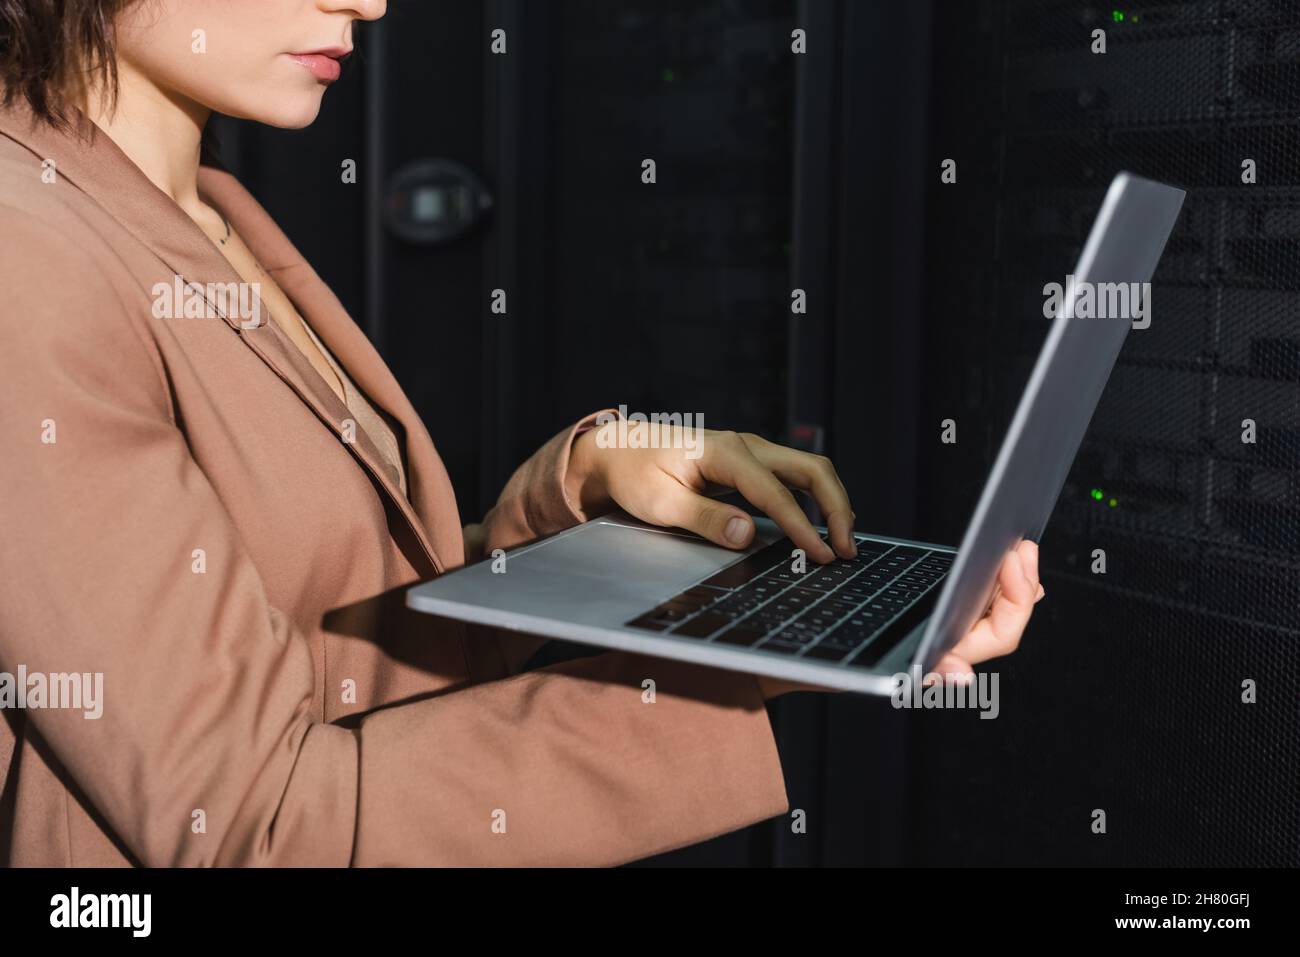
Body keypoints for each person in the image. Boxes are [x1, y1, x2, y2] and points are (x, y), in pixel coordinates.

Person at [0, 0, 1043, 866]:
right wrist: (736, 661)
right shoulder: (27, 255)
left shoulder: (201, 210)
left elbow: (334, 660)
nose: (367, 3)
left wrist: (566, 494)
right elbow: (257, 828)